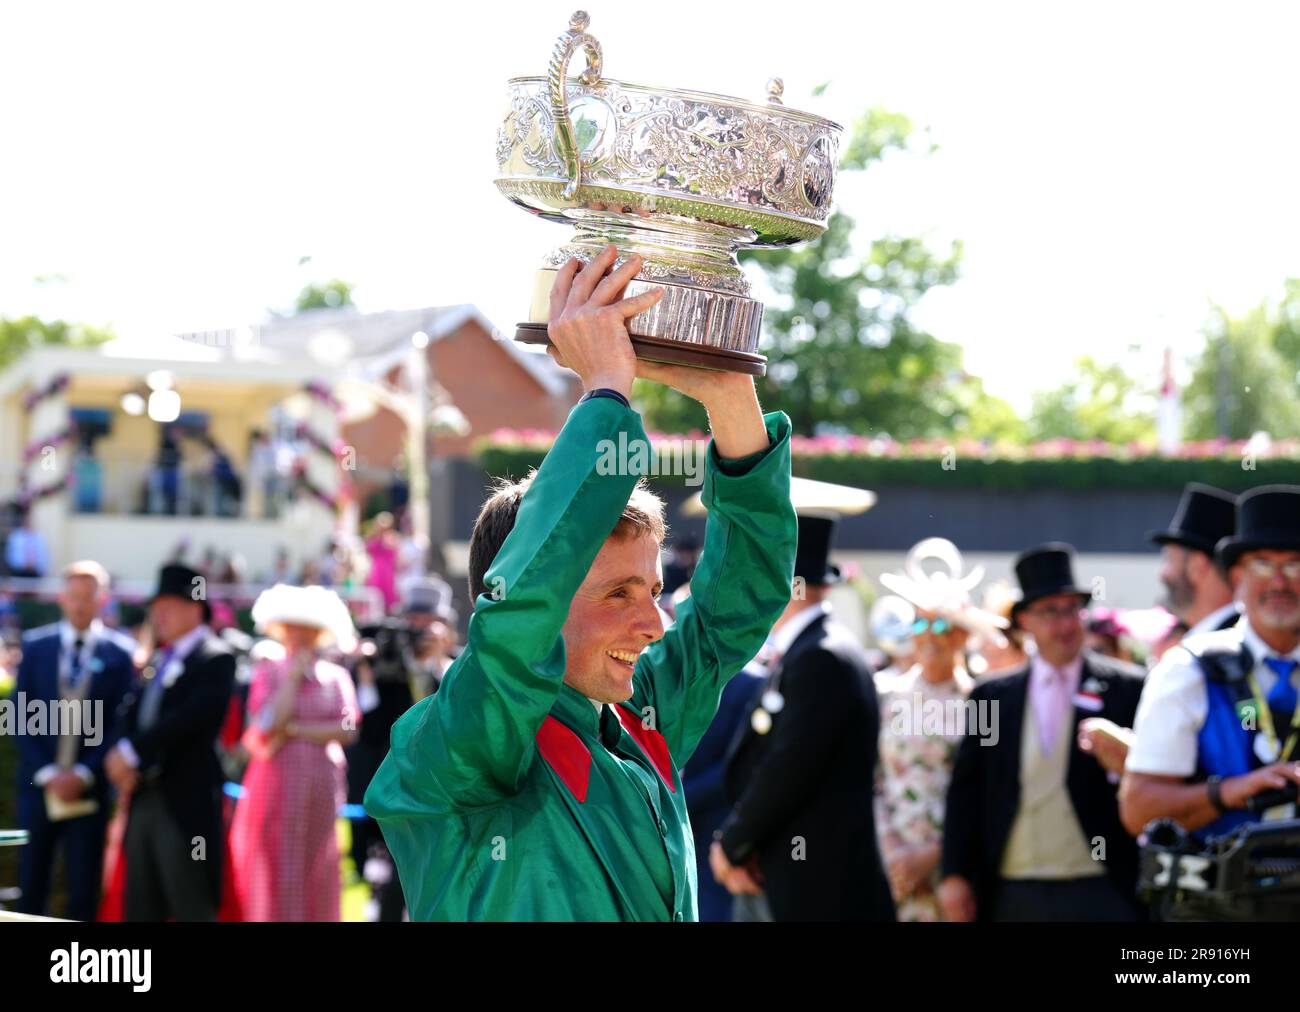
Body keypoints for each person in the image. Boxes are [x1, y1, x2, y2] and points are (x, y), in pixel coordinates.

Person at [364, 245, 796, 921]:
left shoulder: (635, 716)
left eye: (651, 591)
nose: (653, 623)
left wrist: (725, 390)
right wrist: (605, 392)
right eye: (617, 594)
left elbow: (733, 610)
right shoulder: (454, 741)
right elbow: (515, 630)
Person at [939, 543, 1146, 922]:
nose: (1065, 624)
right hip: (1014, 888)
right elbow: (966, 790)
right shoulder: (992, 696)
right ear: (1026, 622)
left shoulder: (1127, 688)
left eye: (1072, 610)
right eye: (1050, 612)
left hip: (1102, 887)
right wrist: (953, 875)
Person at [715, 509, 895, 922]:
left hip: (819, 883)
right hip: (798, 872)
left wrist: (731, 844)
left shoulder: (821, 657)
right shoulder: (812, 650)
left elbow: (790, 768)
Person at [1121, 485, 1300, 848]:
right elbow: (1138, 811)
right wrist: (1227, 793)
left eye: (1295, 565)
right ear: (1236, 578)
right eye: (1262, 564)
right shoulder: (1187, 670)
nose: (1279, 582)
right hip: (1220, 898)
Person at [874, 538, 1009, 921]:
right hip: (894, 874)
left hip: (960, 874)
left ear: (963, 635)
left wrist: (933, 856)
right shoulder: (885, 694)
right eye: (920, 620)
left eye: (941, 623)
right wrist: (897, 858)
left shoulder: (983, 700)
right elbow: (872, 782)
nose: (930, 634)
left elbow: (990, 791)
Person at [103, 563, 236, 921]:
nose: (157, 615)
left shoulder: (215, 656)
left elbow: (190, 719)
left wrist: (131, 754)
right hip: (145, 797)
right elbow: (130, 713)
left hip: (185, 803)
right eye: (155, 607)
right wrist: (120, 753)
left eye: (168, 605)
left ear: (195, 607)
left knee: (189, 899)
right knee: (140, 905)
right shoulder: (159, 658)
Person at [230, 584, 359, 921]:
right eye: (292, 626)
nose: (299, 635)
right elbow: (267, 725)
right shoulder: (268, 672)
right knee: (273, 860)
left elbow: (347, 729)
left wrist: (296, 731)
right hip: (275, 784)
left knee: (315, 862)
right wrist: (290, 681)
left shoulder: (336, 676)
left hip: (320, 786)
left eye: (307, 628)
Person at [15, 561, 136, 920]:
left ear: (103, 600)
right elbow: (19, 717)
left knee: (83, 891)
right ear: (62, 599)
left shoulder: (120, 653)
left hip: (90, 792)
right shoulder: (37, 647)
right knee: (31, 885)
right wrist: (49, 772)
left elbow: (120, 722)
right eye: (74, 597)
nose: (80, 605)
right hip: (38, 789)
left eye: (88, 597)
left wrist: (83, 772)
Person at [1149, 482, 1239, 637]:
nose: (1162, 574)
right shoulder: (1211, 641)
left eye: (1168, 559)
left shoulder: (1225, 648)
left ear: (1196, 566)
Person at [364, 512, 400, 614]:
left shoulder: (392, 537)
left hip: (387, 570)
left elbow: (396, 554)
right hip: (376, 570)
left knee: (387, 594)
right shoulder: (373, 537)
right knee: (375, 594)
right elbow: (368, 549)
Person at [4, 508, 49, 578]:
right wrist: (24, 565)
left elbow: (43, 556)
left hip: (35, 573)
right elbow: (10, 556)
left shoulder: (38, 537)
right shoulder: (15, 536)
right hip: (18, 572)